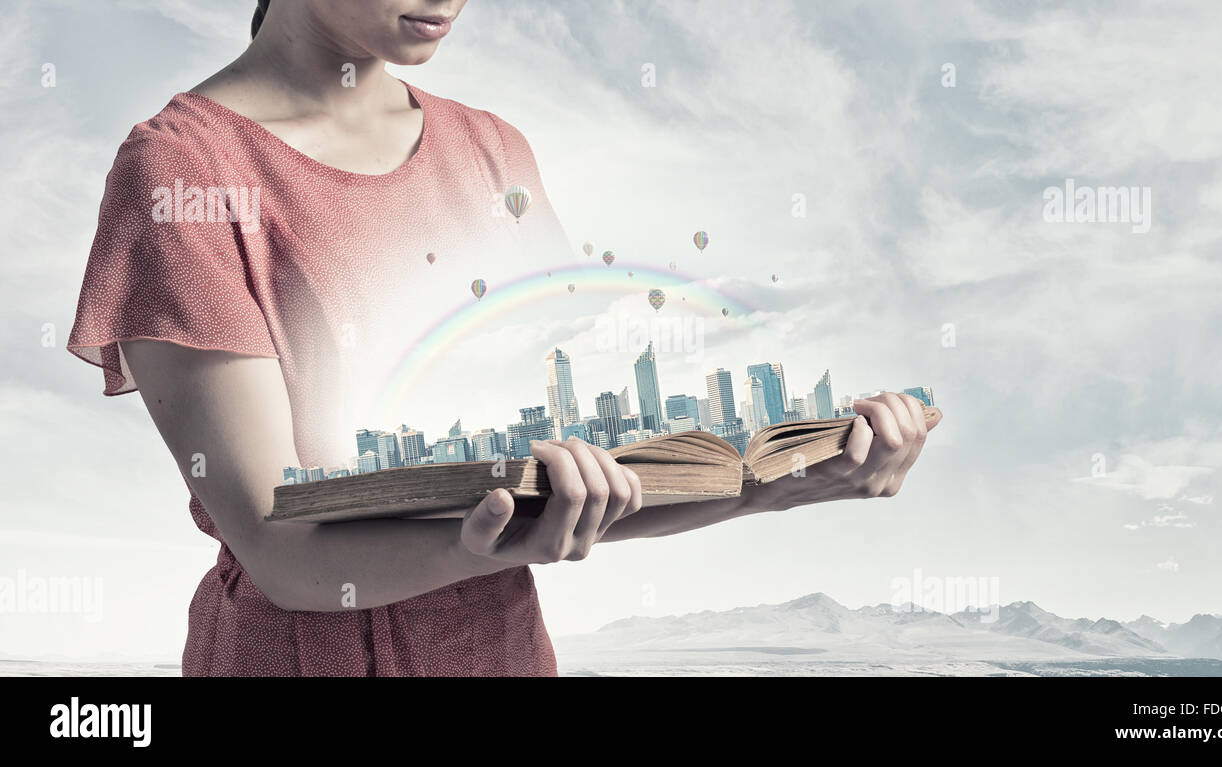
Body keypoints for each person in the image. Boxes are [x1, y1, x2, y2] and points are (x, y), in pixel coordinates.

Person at [66, 0, 942, 676]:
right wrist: (496, 536)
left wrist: (782, 480)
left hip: (503, 650)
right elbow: (280, 548)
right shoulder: (181, 171)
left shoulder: (492, 154)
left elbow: (584, 476)